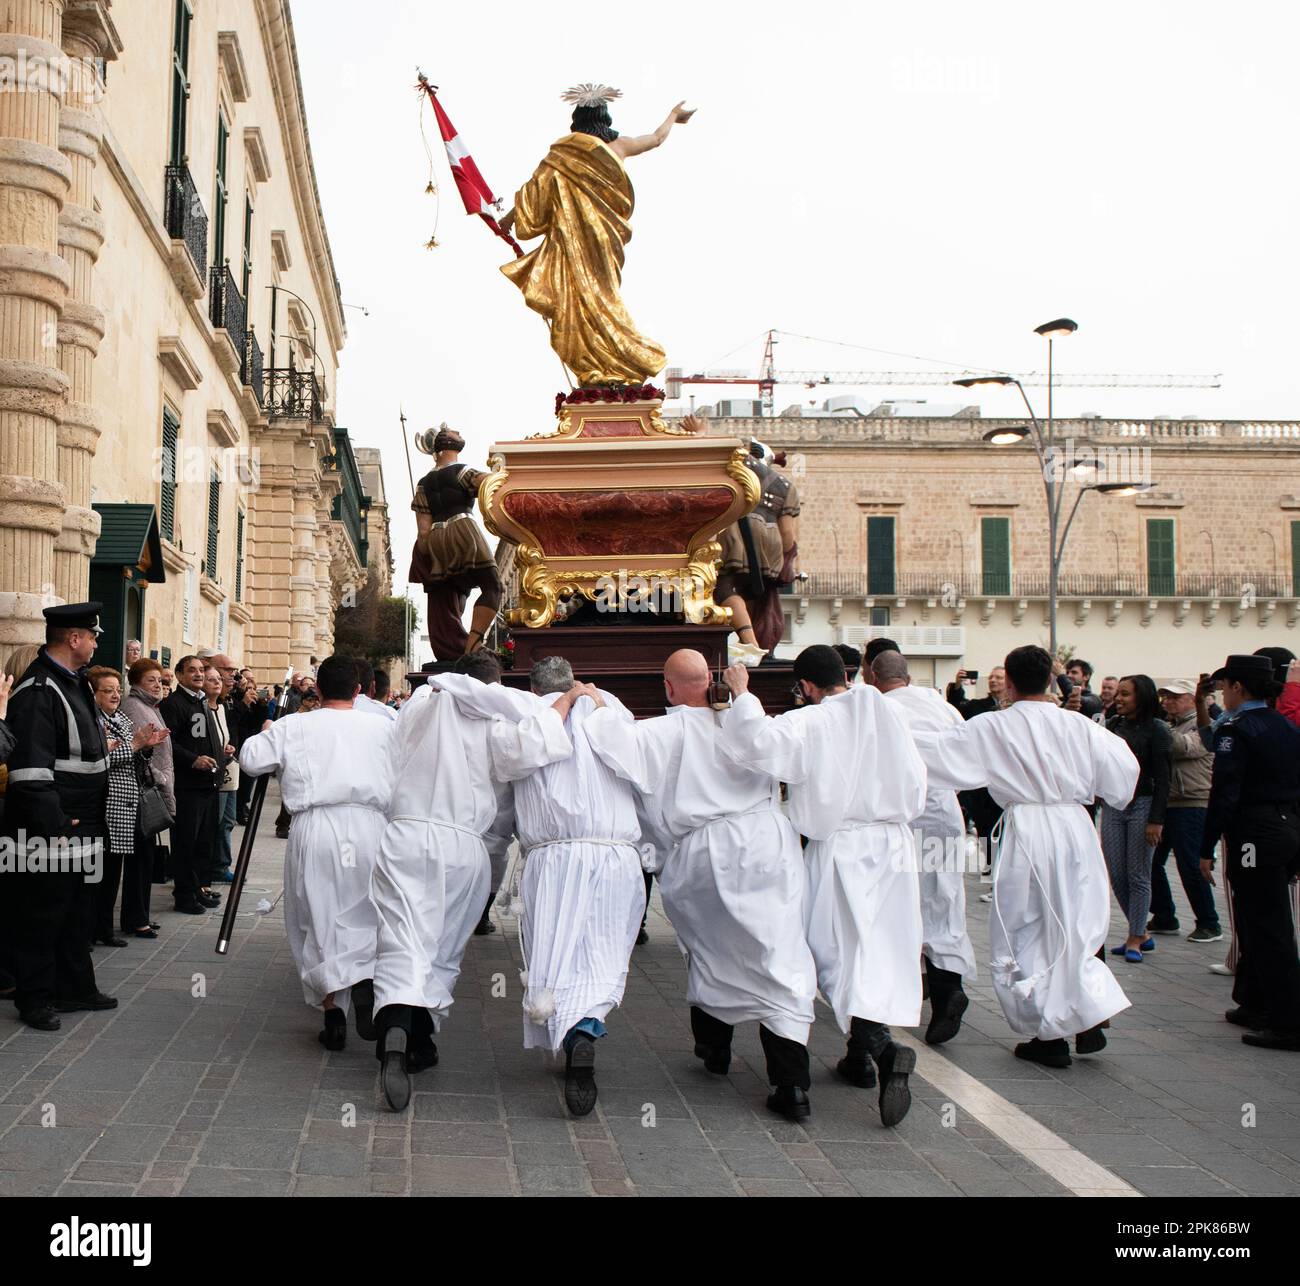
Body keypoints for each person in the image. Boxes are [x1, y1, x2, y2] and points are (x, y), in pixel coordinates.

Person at [583, 648, 819, 1122]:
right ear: (713, 680)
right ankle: (791, 1081)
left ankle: (714, 1048)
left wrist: (597, 703)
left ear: (668, 688)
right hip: (765, 843)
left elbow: (612, 742)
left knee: (710, 949)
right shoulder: (749, 722)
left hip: (702, 853)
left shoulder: (657, 732)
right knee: (780, 951)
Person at [718, 646, 925, 1126]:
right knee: (880, 952)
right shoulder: (888, 711)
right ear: (848, 673)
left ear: (807, 686)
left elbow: (759, 744)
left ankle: (882, 1048)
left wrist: (743, 694)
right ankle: (859, 1057)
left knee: (829, 953)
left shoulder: (813, 722)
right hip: (895, 845)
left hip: (843, 846)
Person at [434, 657, 647, 1116]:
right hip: (618, 855)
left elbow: (470, 690)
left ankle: (573, 1031)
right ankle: (586, 1028)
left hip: (553, 857)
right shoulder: (613, 709)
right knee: (603, 952)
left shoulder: (524, 713)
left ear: (532, 687)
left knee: (556, 954)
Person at [909, 644, 1139, 1068]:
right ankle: (1085, 1015)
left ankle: (1049, 1034)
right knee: (1076, 922)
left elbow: (936, 753)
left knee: (1028, 926)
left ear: (1009, 684)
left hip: (1031, 830)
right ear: (1050, 680)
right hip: (1076, 828)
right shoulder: (1080, 726)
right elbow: (1123, 776)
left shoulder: (995, 726)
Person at [371, 652, 578, 1111]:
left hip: (403, 834)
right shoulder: (494, 719)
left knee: (402, 939)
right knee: (441, 948)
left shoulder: (418, 704)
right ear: (493, 687)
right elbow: (530, 748)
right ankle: (418, 1038)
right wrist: (565, 703)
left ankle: (398, 1034)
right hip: (463, 843)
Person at [240, 656, 395, 1051]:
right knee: (366, 910)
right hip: (370, 827)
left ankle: (333, 1009)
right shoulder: (385, 725)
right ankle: (361, 977)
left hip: (316, 826)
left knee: (316, 913)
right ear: (359, 691)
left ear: (318, 691)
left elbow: (251, 760)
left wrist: (266, 730)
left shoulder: (295, 725)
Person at [498, 85, 691, 385]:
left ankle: (602, 361)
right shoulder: (619, 146)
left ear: (576, 120)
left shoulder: (560, 156)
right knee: (603, 295)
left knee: (579, 297)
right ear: (606, 118)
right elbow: (655, 139)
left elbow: (534, 194)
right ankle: (617, 361)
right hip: (604, 240)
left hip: (572, 242)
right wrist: (674, 115)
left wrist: (508, 219)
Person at [1, 603, 121, 1030]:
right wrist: (53, 825)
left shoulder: (74, 684)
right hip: (53, 829)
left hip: (81, 823)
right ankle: (34, 1000)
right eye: (92, 635)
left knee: (76, 911)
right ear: (73, 639)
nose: (94, 642)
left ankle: (75, 988)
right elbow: (31, 770)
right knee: (42, 915)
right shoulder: (38, 690)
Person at [871, 650, 978, 1044]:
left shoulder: (878, 709)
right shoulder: (941, 704)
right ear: (909, 677)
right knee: (944, 900)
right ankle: (949, 987)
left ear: (872, 676)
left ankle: (907, 988)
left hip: (904, 816)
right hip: (945, 814)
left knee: (901, 903)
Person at [1198, 655, 1300, 1051]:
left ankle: (1288, 1021)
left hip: (1254, 834)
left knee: (1267, 927)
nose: (1222, 692)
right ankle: (1255, 1001)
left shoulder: (1237, 731)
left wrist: (1206, 848)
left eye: (1225, 687)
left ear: (1238, 688)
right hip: (1285, 825)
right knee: (1258, 919)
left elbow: (1224, 794)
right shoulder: (1285, 727)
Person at [87, 667, 167, 947]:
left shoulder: (120, 717)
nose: (114, 695)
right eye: (107, 690)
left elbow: (131, 753)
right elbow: (100, 759)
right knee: (102, 872)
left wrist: (146, 746)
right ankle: (97, 929)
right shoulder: (92, 720)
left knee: (112, 873)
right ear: (93, 693)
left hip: (127, 801)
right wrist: (135, 744)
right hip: (107, 802)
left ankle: (104, 929)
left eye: (116, 689)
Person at [408, 425, 503, 660]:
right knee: (493, 586)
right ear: (445, 444)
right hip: (463, 529)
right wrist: (500, 470)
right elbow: (491, 485)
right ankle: (473, 644)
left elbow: (422, 530)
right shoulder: (462, 471)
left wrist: (426, 559)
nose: (458, 431)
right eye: (453, 432)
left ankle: (456, 643)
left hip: (436, 538)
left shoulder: (423, 483)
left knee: (453, 590)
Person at [1101, 675, 1173, 963]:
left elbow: (1164, 779)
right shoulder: (1113, 726)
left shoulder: (1157, 730)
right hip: (1114, 804)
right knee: (1117, 873)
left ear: (1142, 697)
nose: (1119, 698)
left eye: (1126, 694)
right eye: (1118, 693)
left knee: (1138, 874)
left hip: (1143, 804)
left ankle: (1135, 936)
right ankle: (1140, 930)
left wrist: (1157, 820)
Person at [1148, 679, 1221, 943]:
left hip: (1193, 803)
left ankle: (1209, 922)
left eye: (1175, 697)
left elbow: (1181, 747)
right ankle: (1165, 915)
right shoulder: (1168, 725)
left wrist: (1154, 729)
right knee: (1152, 862)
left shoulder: (1203, 726)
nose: (1168, 701)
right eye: (1165, 697)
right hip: (1169, 803)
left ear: (1193, 699)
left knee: (1190, 865)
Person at [715, 443, 800, 661]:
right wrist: (787, 557)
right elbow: (788, 532)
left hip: (737, 534)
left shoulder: (734, 464)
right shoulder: (785, 485)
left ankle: (750, 645)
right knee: (760, 594)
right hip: (772, 541)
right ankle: (763, 646)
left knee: (723, 588)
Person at [160, 655, 223, 915]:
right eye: (192, 671)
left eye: (201, 670)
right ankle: (183, 894)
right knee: (186, 842)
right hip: (188, 786)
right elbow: (168, 743)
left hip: (208, 783)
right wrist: (193, 760)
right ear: (179, 675)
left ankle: (198, 888)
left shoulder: (202, 702)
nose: (198, 675)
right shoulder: (174, 704)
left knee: (203, 842)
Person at [120, 659, 173, 938]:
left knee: (146, 859)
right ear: (137, 681)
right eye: (151, 680)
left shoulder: (150, 706)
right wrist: (160, 778)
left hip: (149, 787)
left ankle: (141, 914)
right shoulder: (133, 706)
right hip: (139, 792)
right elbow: (139, 748)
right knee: (139, 860)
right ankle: (135, 918)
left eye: (160, 681)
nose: (157, 685)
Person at [208, 655, 241, 884]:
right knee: (216, 821)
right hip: (213, 771)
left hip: (229, 766)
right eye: (220, 675)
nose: (226, 678)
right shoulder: (203, 707)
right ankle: (212, 866)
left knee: (228, 819)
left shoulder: (222, 706)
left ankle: (221, 865)